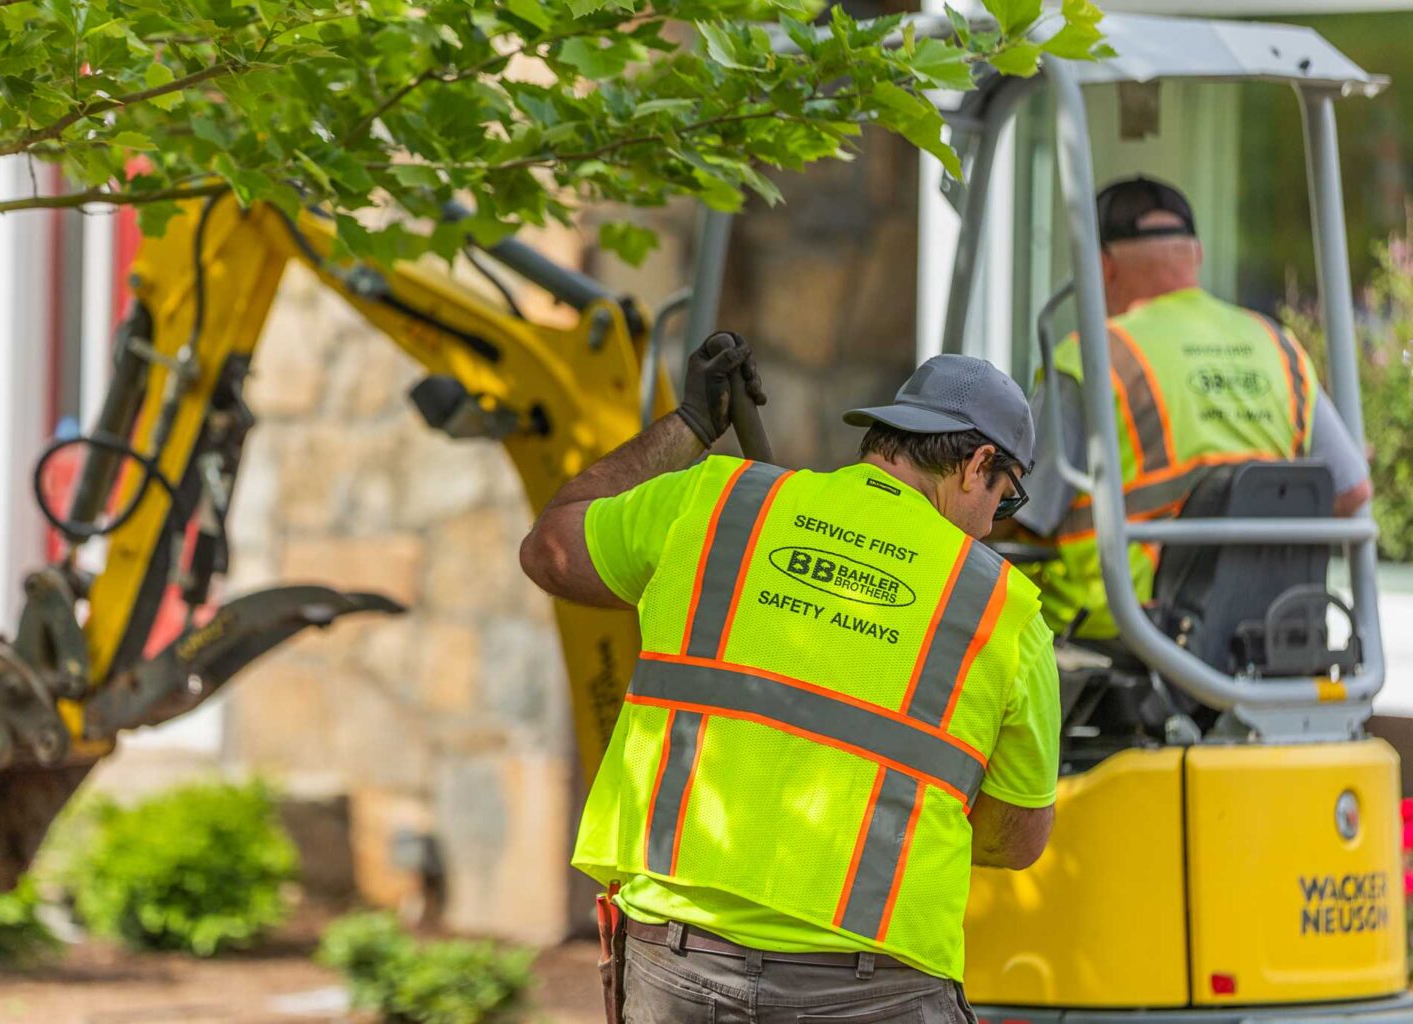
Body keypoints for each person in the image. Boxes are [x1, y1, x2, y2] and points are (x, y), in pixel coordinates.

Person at [521, 336, 1060, 1024]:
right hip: (877, 988)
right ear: (980, 463)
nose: (991, 528)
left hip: (676, 961)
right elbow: (1015, 840)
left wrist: (688, 427)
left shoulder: (715, 502)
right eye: (1004, 501)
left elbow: (552, 547)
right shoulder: (1005, 612)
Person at [1012, 176, 1372, 640]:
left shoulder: (1094, 359)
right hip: (1267, 634)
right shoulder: (1275, 346)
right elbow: (1352, 490)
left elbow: (1017, 511)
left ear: (1100, 267)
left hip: (1122, 634)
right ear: (1196, 255)